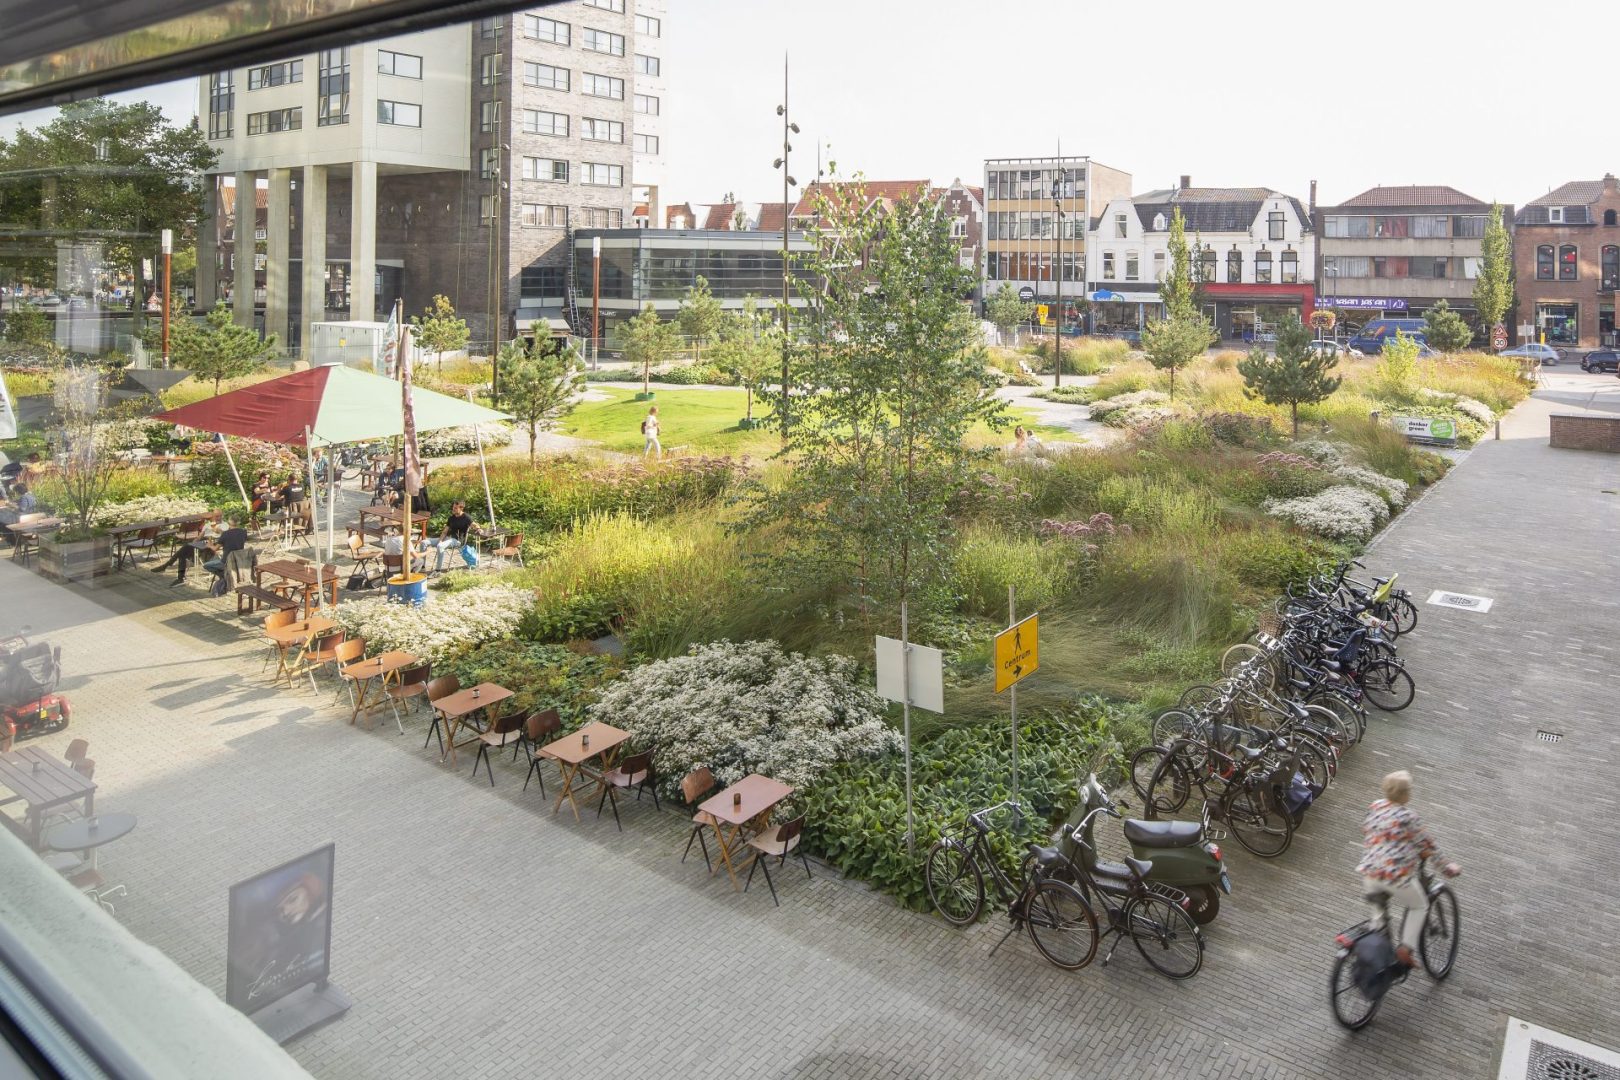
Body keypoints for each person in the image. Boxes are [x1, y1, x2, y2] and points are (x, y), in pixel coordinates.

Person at [1357, 770, 1460, 969]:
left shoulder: (1375, 806)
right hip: (1395, 876)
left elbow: (1366, 828)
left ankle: (1376, 960)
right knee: (1419, 906)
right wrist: (1448, 868)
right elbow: (1428, 845)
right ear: (1405, 794)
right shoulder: (1408, 816)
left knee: (1379, 923)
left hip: (1369, 872)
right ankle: (1405, 949)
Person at [151, 515, 221, 586]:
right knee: (183, 553)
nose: (216, 518)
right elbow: (199, 537)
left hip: (210, 549)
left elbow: (219, 541)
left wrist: (211, 541)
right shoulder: (209, 526)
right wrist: (196, 541)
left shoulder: (223, 527)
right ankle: (179, 577)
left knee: (184, 550)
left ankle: (169, 568)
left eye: (218, 516)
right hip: (202, 544)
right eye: (215, 517)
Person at [431, 500, 481, 572]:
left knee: (440, 546)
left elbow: (474, 525)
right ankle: (421, 566)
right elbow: (445, 532)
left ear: (461, 508)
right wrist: (440, 540)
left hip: (457, 540)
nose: (453, 509)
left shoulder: (466, 517)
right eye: (453, 507)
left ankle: (437, 571)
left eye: (455, 508)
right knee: (424, 542)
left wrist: (478, 528)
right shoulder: (451, 518)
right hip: (448, 539)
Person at [201, 514, 250, 580]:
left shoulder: (225, 534)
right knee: (219, 556)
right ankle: (228, 575)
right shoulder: (243, 532)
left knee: (206, 565)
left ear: (229, 522)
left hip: (226, 562)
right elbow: (234, 536)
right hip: (238, 560)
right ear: (238, 522)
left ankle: (224, 576)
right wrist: (222, 533)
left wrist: (209, 545)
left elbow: (215, 549)